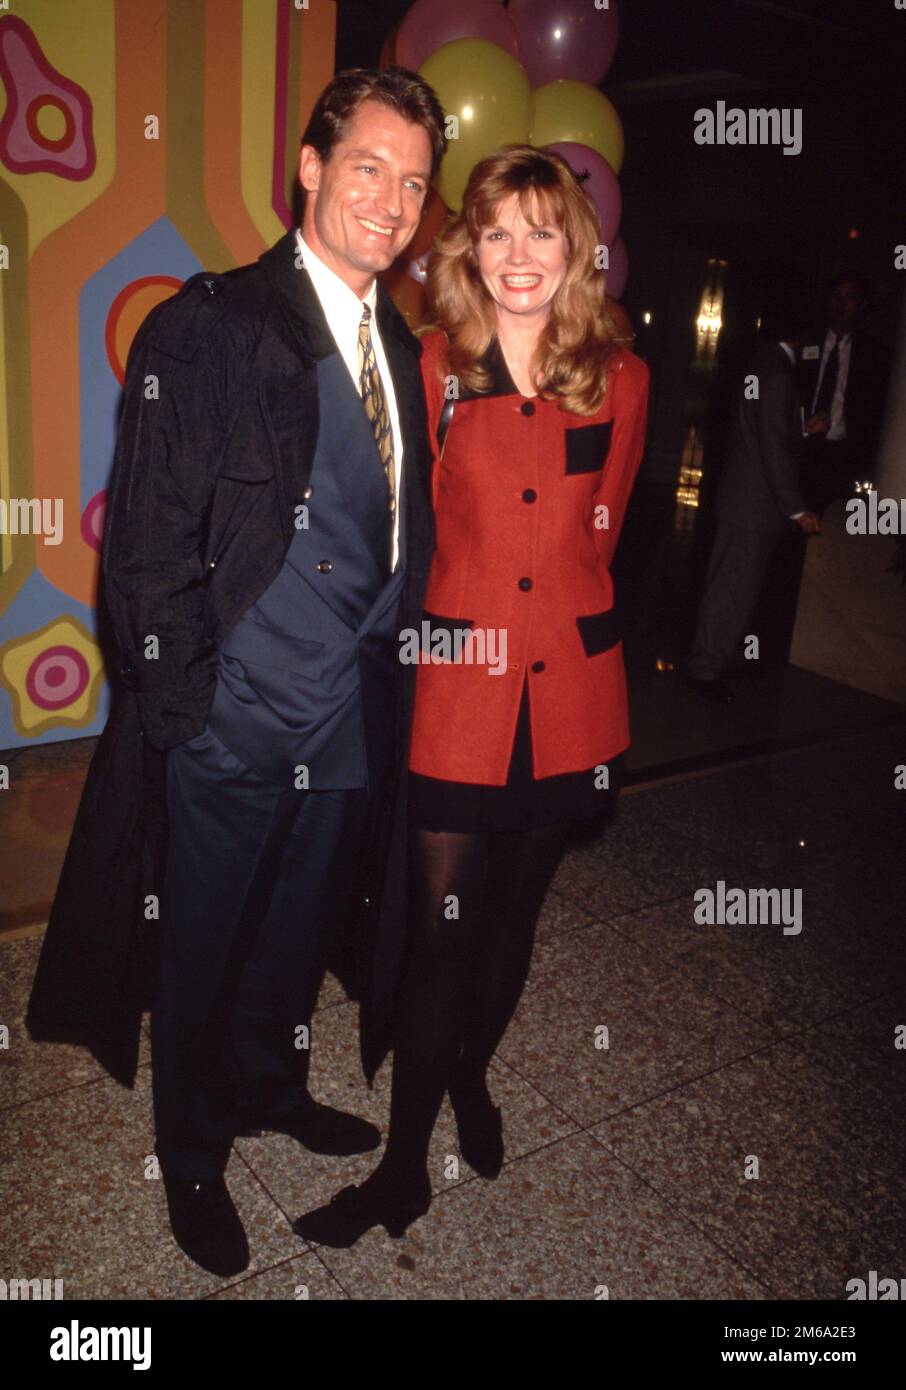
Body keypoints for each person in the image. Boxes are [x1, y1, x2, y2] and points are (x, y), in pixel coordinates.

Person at [26, 66, 446, 1276]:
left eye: (413, 181)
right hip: (236, 717)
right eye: (367, 167)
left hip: (347, 720)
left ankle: (269, 1085)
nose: (391, 200)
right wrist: (187, 712)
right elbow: (145, 549)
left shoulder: (400, 345)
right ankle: (195, 1150)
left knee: (297, 926)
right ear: (309, 169)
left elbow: (396, 535)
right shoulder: (210, 324)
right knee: (202, 939)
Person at [296, 145, 650, 1247]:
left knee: (510, 923)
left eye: (542, 229)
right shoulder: (435, 367)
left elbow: (609, 535)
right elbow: (400, 534)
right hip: (462, 690)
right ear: (469, 247)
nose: (518, 254)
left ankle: (471, 1079)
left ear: (575, 246)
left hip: (576, 694)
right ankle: (404, 1169)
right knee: (442, 930)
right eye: (496, 230)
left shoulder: (623, 377)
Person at [685, 305, 822, 703]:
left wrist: (799, 428)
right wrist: (797, 508)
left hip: (744, 498)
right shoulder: (777, 372)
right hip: (754, 503)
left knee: (733, 586)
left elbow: (762, 427)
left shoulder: (758, 363)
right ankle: (704, 667)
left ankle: (717, 658)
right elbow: (774, 447)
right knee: (731, 587)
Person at [798, 272, 892, 515]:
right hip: (801, 447)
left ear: (860, 305)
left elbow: (875, 411)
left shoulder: (873, 354)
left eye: (849, 298)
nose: (841, 303)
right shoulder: (807, 342)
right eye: (836, 296)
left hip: (842, 455)